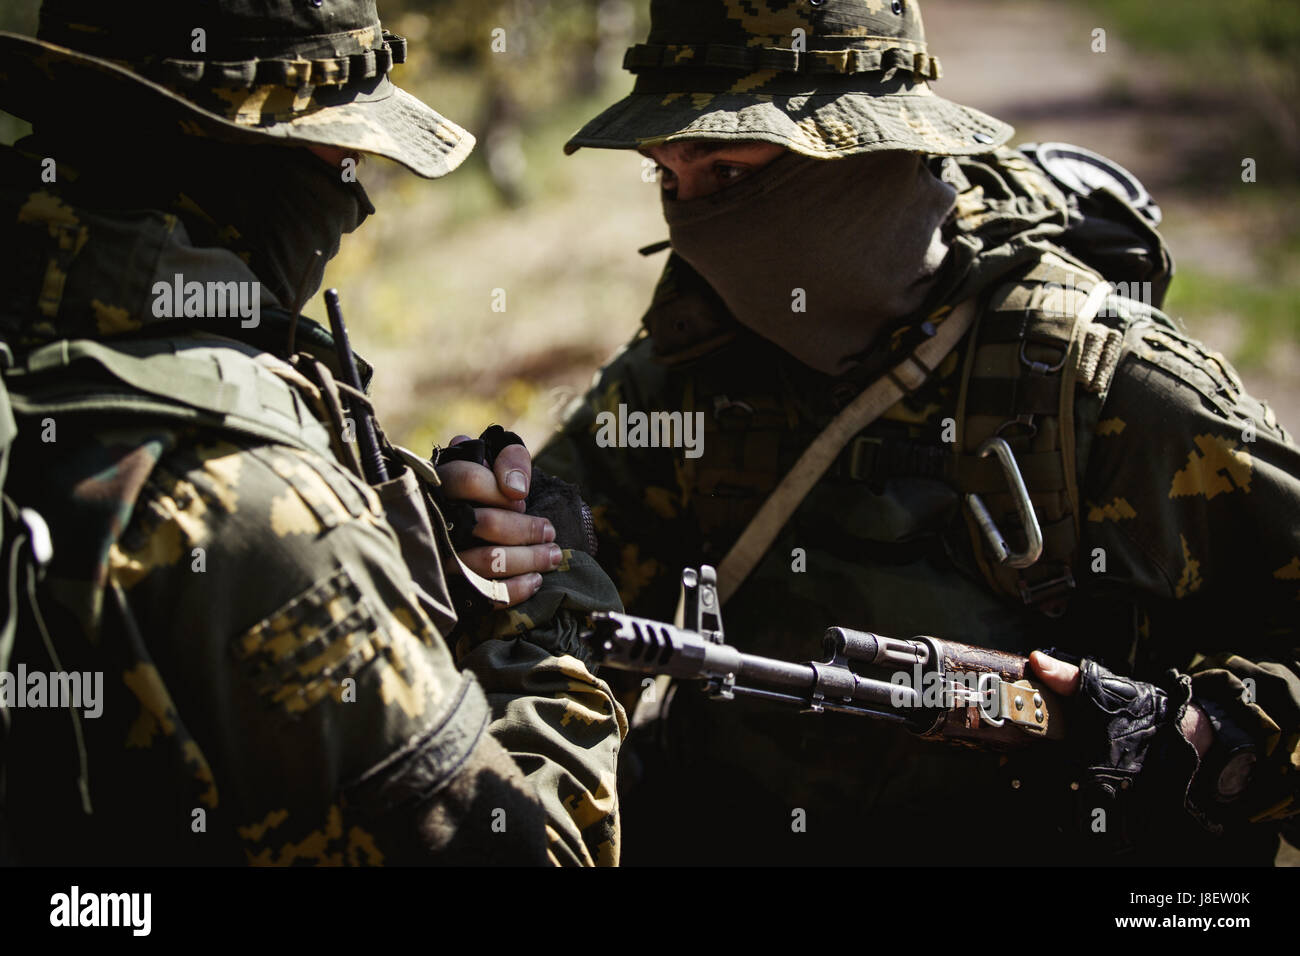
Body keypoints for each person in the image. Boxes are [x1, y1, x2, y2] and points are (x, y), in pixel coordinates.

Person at [523, 0, 1300, 864]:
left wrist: (1192, 736)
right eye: (668, 177)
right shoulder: (690, 366)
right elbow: (563, 579)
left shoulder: (1112, 394)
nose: (693, 217)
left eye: (730, 174)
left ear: (867, 148)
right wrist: (493, 541)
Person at [0, 0, 624, 866]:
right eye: (341, 162)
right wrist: (547, 630)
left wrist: (399, 569)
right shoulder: (241, 497)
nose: (355, 206)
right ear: (236, 153)